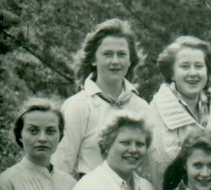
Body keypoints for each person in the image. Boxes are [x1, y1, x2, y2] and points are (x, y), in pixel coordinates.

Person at [53, 18, 150, 180]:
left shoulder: (142, 107)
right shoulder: (78, 105)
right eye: (107, 54)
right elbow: (61, 168)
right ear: (93, 59)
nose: (115, 61)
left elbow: (146, 170)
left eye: (121, 54)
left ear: (130, 60)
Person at [143, 35, 211, 190]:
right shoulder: (156, 113)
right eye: (184, 66)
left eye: (199, 66)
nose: (193, 73)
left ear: (207, 71)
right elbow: (163, 169)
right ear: (172, 73)